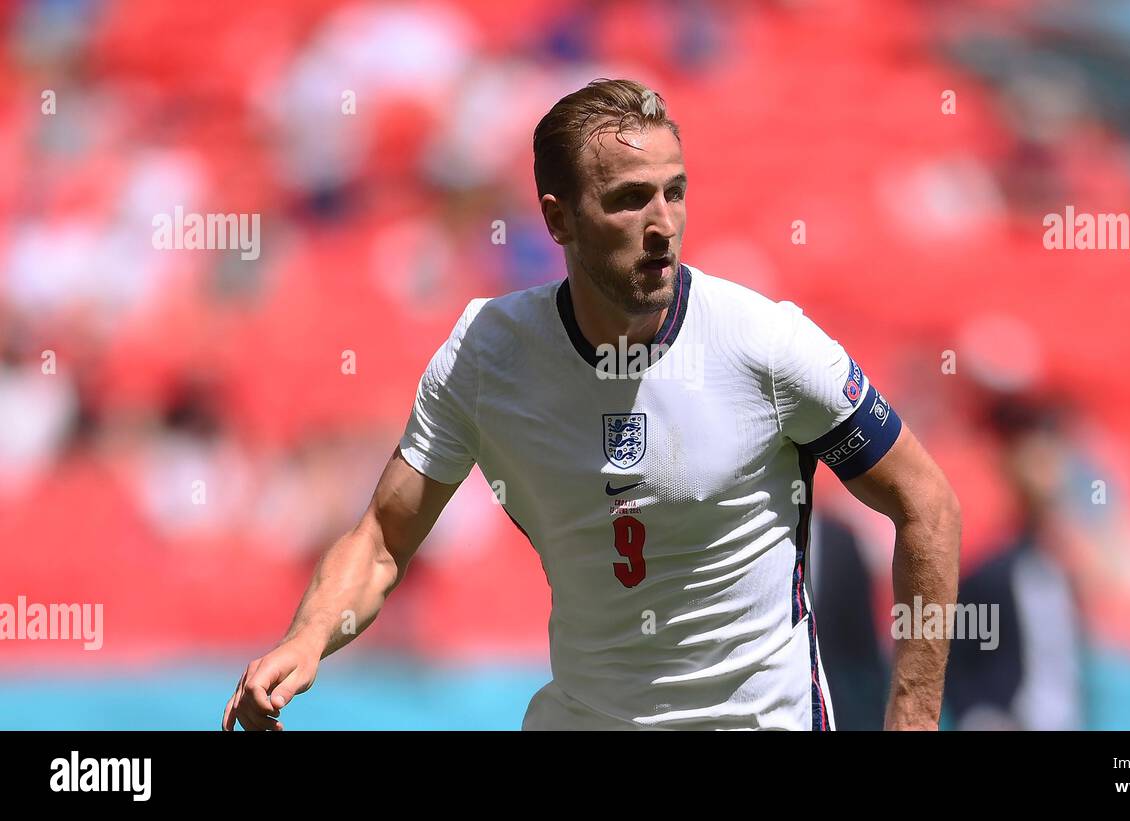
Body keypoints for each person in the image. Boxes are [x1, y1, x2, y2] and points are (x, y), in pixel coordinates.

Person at [222, 79, 961, 731]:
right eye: (629, 199)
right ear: (558, 218)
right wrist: (306, 636)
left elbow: (927, 503)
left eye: (674, 191)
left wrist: (915, 719)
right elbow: (383, 537)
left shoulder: (765, 343)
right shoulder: (487, 356)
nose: (662, 223)